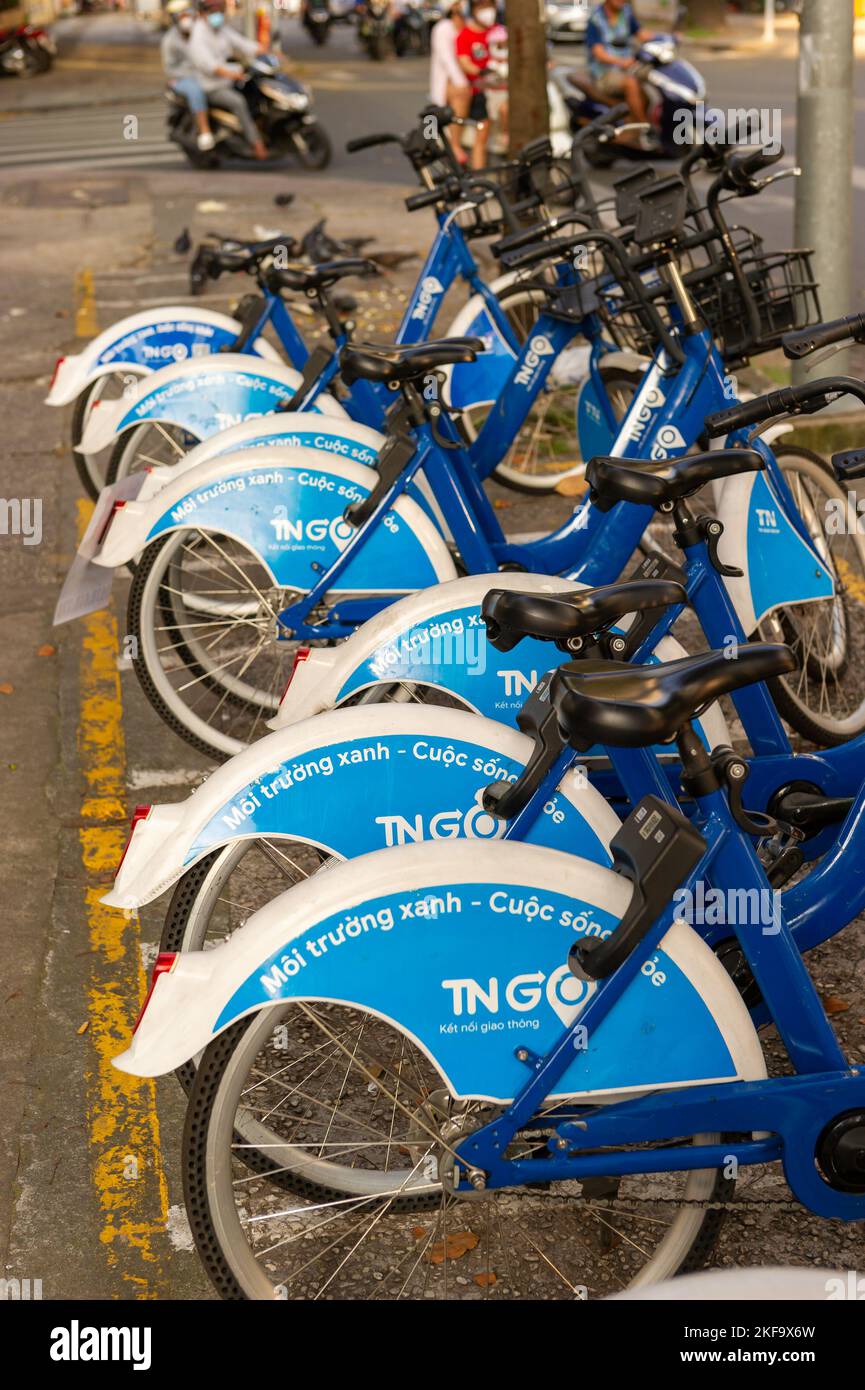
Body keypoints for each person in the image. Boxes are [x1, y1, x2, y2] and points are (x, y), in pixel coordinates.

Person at [188, 0, 269, 160]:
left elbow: (242, 43)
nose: (217, 14)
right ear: (203, 13)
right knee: (238, 102)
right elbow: (209, 66)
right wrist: (232, 74)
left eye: (219, 10)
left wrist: (264, 51)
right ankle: (256, 143)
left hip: (230, 79)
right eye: (212, 10)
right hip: (212, 86)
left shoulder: (221, 29)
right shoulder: (198, 35)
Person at [585, 0, 654, 135]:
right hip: (604, 73)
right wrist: (621, 62)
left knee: (651, 82)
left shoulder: (626, 13)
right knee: (631, 84)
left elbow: (642, 34)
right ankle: (645, 128)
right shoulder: (595, 19)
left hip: (628, 69)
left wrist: (667, 38)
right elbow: (598, 53)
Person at [161, 0, 215, 152]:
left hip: (208, 74)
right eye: (182, 15)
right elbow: (170, 68)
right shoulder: (170, 40)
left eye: (188, 14)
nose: (186, 18)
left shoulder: (202, 32)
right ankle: (205, 131)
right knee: (195, 90)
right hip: (183, 79)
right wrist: (194, 73)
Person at [455, 0, 497, 170]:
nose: (487, 11)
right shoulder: (466, 35)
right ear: (473, 10)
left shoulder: (497, 32)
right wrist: (482, 72)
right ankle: (477, 178)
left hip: (499, 90)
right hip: (477, 92)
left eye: (490, 6)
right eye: (482, 7)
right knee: (481, 137)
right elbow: (464, 62)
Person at [429, 0, 470, 166]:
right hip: (448, 85)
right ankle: (454, 145)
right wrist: (461, 82)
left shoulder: (468, 25)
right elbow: (447, 59)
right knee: (461, 95)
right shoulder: (443, 28)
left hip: (469, 81)